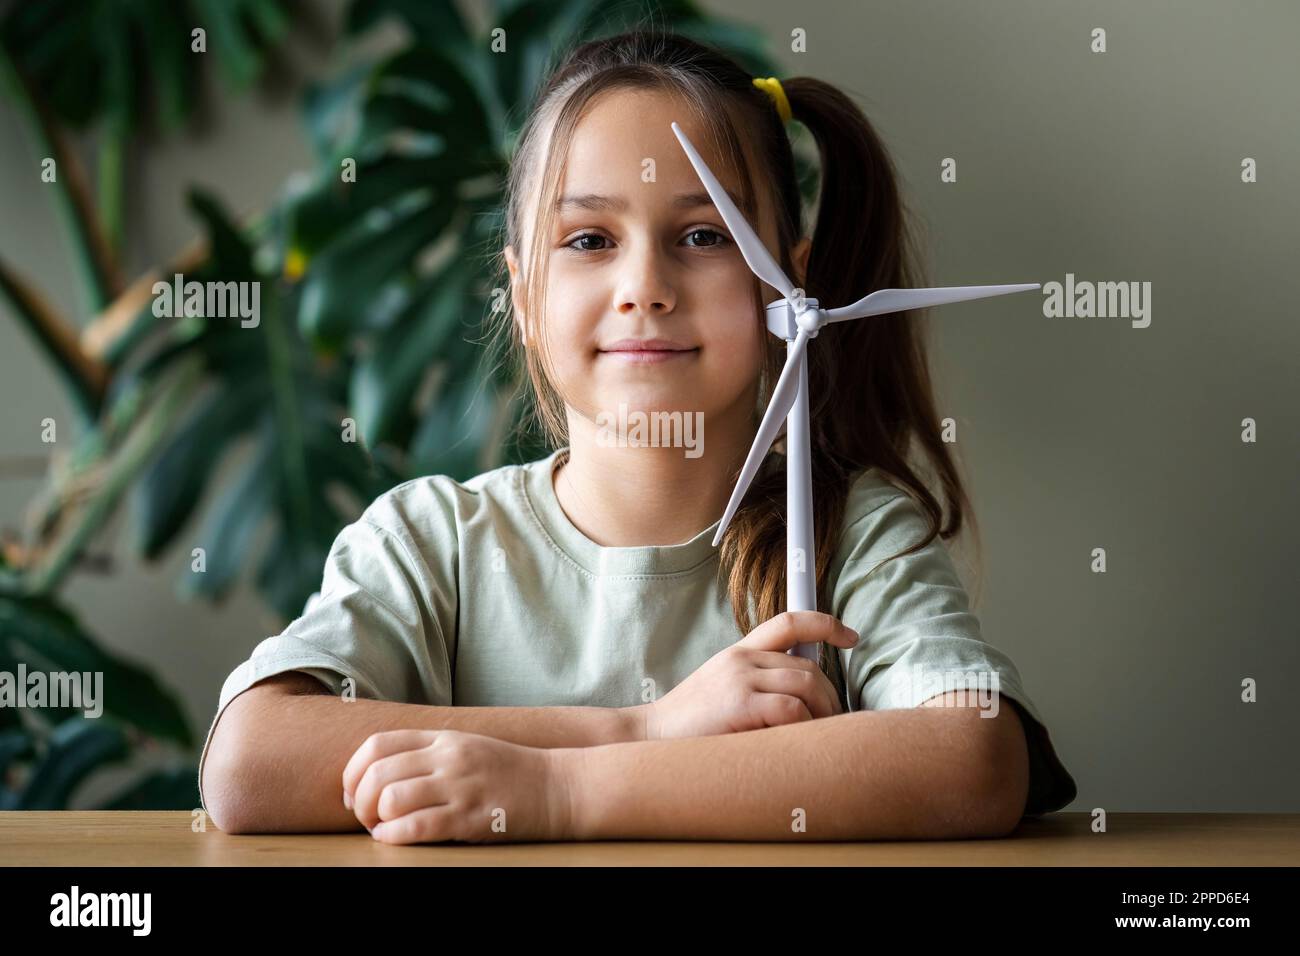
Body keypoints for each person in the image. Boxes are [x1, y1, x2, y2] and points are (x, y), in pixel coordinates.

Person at [199, 29, 1076, 844]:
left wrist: (562, 793)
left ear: (787, 288)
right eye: (588, 238)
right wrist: (640, 728)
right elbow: (250, 765)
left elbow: (973, 759)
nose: (644, 286)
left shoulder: (852, 536)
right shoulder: (431, 545)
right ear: (525, 295)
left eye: (704, 235)